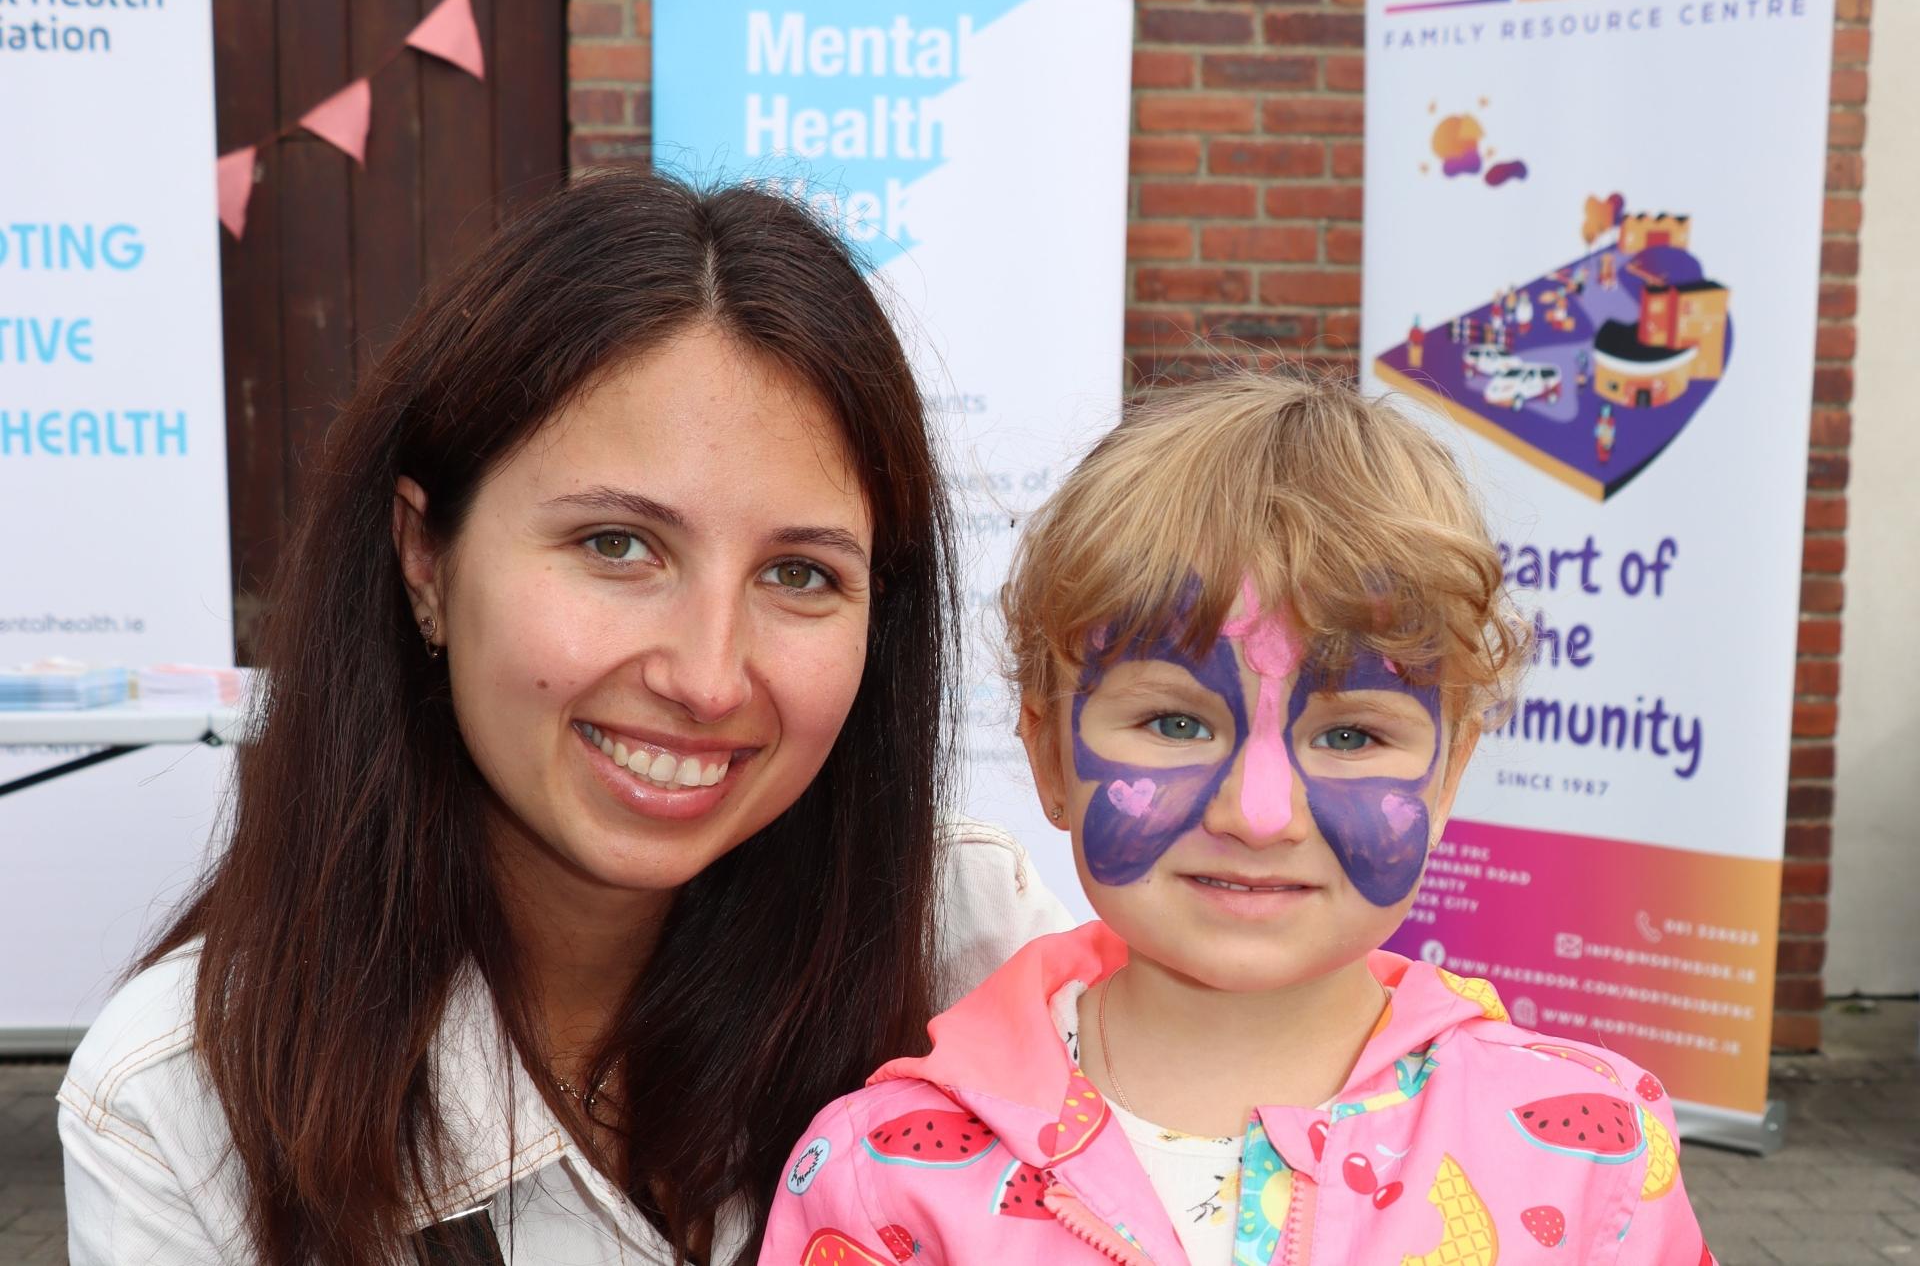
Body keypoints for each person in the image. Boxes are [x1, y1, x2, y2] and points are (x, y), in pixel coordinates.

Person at [57, 171, 1070, 1266]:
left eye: (798, 572)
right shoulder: (183, 1108)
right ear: (425, 558)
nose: (708, 677)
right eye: (616, 546)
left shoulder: (980, 958)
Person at [761, 371, 1711, 1264]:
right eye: (1175, 722)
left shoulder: (1598, 1147)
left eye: (1351, 736)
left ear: (1449, 773)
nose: (1260, 815)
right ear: (1049, 755)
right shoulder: (877, 1177)